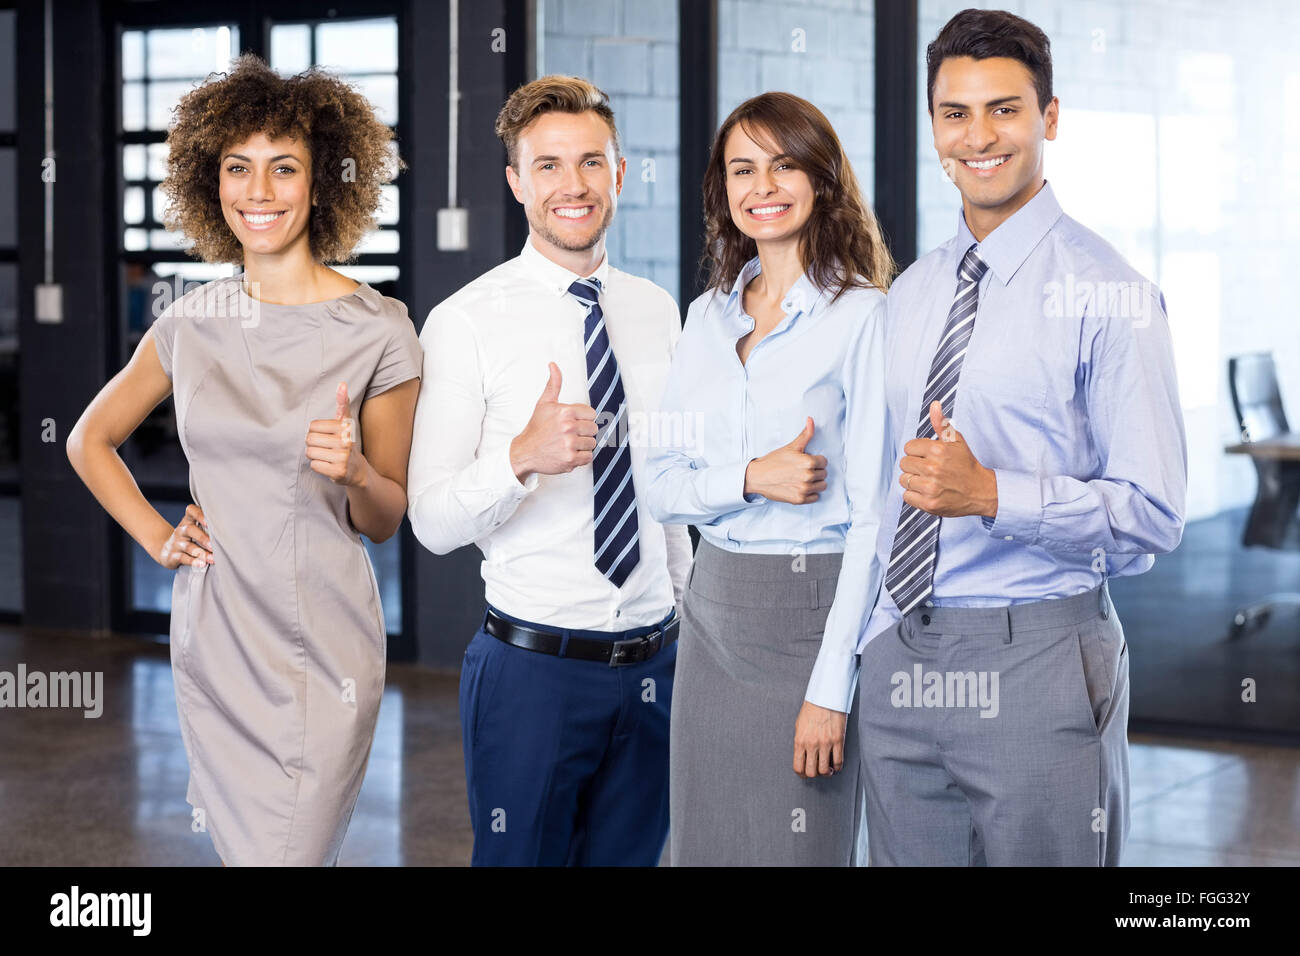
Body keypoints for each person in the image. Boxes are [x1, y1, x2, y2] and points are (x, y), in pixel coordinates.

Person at [66, 54, 421, 866]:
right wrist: (158, 539)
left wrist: (358, 472)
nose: (258, 192)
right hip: (218, 639)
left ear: (322, 182)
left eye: (283, 168)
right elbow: (88, 439)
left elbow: (386, 518)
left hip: (326, 652)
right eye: (238, 168)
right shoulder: (190, 325)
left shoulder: (381, 332)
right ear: (210, 181)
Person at [856, 9, 1187, 866]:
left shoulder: (1112, 293)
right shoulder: (914, 291)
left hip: (1038, 658)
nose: (978, 137)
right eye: (955, 113)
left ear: (1049, 118)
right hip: (903, 652)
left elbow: (1153, 514)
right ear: (934, 124)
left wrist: (992, 495)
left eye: (1004, 109)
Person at [406, 75, 691, 866]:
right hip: (534, 674)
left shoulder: (656, 309)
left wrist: (686, 615)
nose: (574, 185)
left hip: (655, 668)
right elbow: (429, 520)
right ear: (517, 183)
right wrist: (519, 459)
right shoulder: (464, 322)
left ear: (621, 174)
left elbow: (661, 490)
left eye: (592, 163)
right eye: (549, 166)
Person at [644, 92, 893, 866]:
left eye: (784, 164)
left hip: (810, 614)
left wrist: (830, 687)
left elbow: (874, 520)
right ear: (722, 188)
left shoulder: (864, 317)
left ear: (821, 178)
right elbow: (656, 484)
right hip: (714, 615)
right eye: (742, 168)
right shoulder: (705, 318)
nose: (763, 185)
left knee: (799, 848)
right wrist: (749, 477)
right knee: (704, 846)